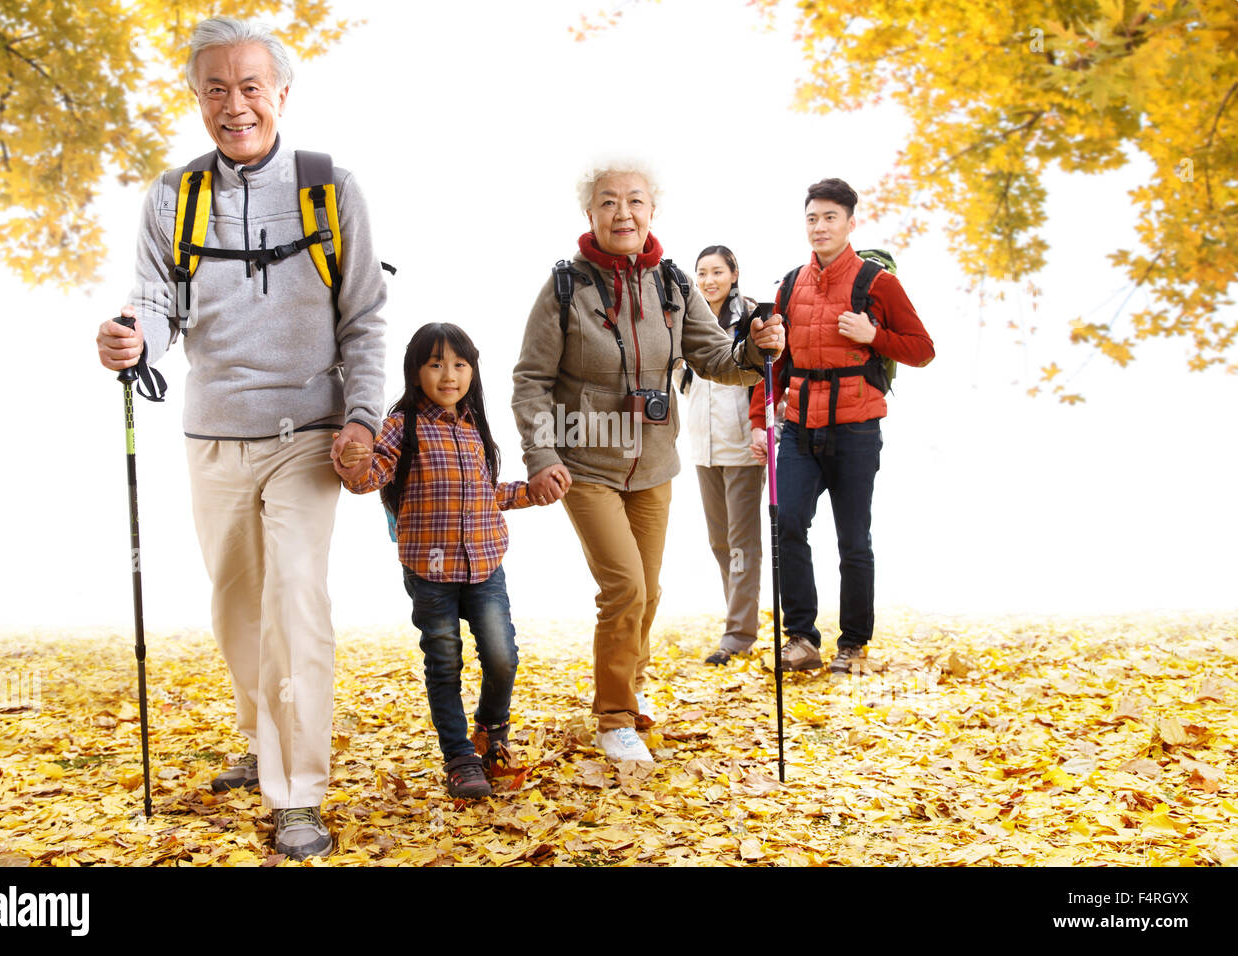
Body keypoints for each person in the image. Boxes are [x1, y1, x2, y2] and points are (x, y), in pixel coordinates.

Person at [95, 16, 388, 859]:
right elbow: (155, 305)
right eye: (215, 89)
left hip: (311, 432)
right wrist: (129, 339)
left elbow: (365, 318)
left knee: (296, 602)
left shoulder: (332, 190)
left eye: (251, 86)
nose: (235, 105)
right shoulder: (171, 198)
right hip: (213, 433)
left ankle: (297, 795)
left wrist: (363, 420)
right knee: (237, 609)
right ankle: (263, 735)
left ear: (282, 93)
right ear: (197, 99)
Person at [512, 163, 784, 765]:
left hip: (654, 464)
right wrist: (540, 455)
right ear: (590, 215)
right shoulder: (566, 287)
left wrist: (755, 351)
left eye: (635, 200)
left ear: (652, 210)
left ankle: (625, 691)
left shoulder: (673, 284)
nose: (623, 213)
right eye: (609, 202)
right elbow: (530, 380)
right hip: (585, 462)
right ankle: (613, 717)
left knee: (648, 590)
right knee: (625, 586)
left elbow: (715, 356)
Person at [339, 323, 541, 799]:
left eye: (459, 364)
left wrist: (531, 492)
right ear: (415, 371)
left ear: (472, 370)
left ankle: (492, 729)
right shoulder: (400, 427)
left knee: (502, 655)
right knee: (444, 661)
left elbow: (486, 494)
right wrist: (355, 461)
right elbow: (368, 479)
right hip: (430, 573)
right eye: (435, 364)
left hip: (486, 564)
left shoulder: (474, 425)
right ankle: (459, 757)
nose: (448, 374)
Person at [749, 177, 934, 674]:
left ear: (851, 223)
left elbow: (922, 349)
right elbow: (772, 362)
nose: (820, 227)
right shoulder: (789, 284)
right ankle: (802, 638)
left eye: (830, 217)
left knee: (854, 538)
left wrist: (874, 334)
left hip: (856, 429)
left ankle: (852, 644)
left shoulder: (878, 283)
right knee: (787, 524)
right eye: (812, 218)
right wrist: (757, 420)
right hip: (800, 430)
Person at [675, 246, 765, 665]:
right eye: (702, 273)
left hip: (743, 444)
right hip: (702, 445)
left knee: (741, 542)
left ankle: (738, 634)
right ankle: (739, 623)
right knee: (719, 541)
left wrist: (765, 428)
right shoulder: (686, 320)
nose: (709, 280)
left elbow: (767, 375)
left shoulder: (748, 318)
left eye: (717, 272)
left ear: (734, 273)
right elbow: (680, 374)